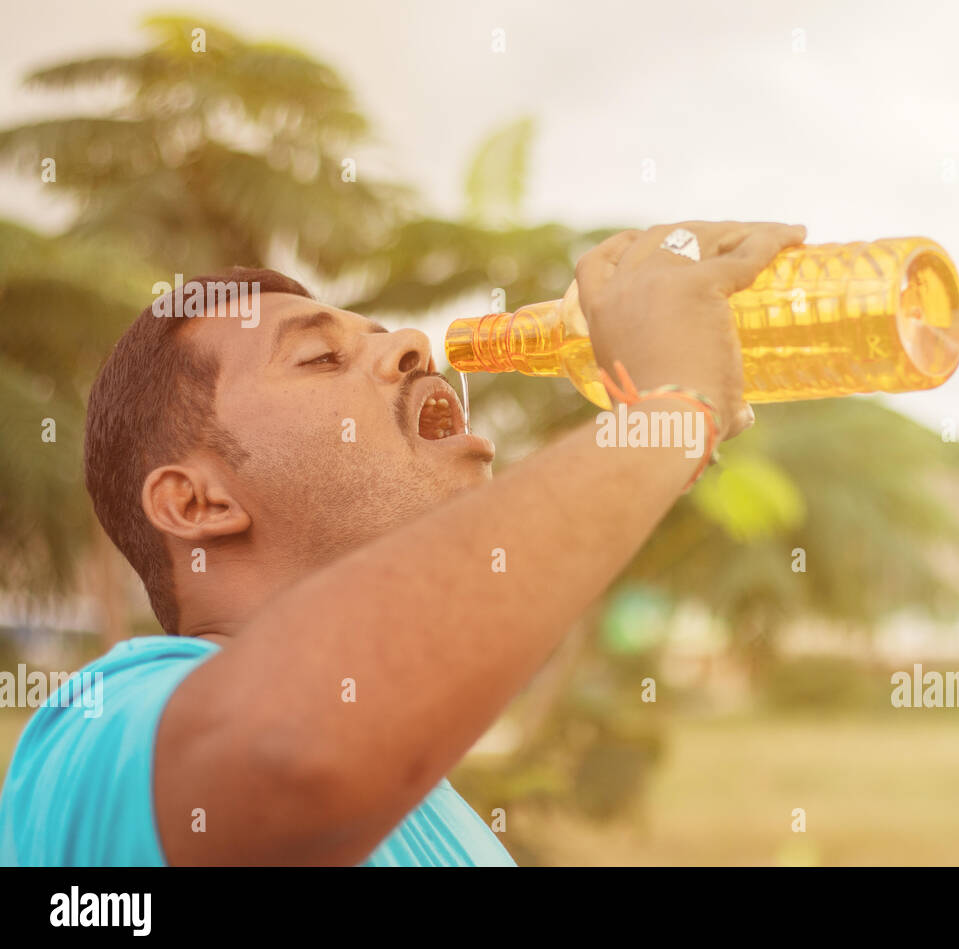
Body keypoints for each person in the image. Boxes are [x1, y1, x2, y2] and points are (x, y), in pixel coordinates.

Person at [0, 221, 806, 865]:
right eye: (321, 357)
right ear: (195, 502)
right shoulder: (95, 736)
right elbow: (290, 758)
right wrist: (666, 416)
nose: (414, 347)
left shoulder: (425, 808)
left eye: (384, 336)